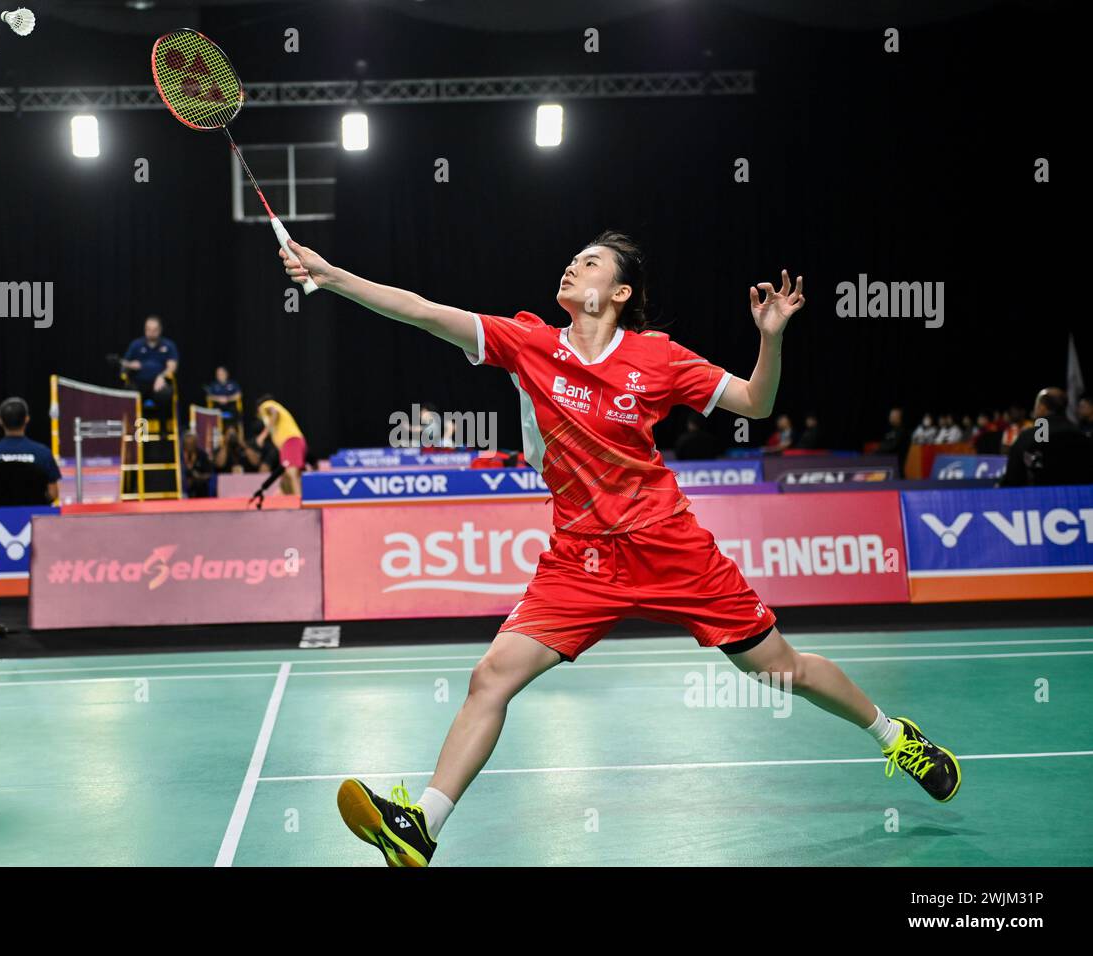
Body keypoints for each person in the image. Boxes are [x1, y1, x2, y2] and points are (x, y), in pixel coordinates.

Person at [279, 230, 961, 868]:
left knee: (780, 668)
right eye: (575, 259)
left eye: (591, 262)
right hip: (579, 559)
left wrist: (771, 339)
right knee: (492, 675)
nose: (573, 266)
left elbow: (755, 403)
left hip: (670, 547)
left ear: (622, 292)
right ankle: (421, 827)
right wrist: (333, 276)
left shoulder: (658, 356)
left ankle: (895, 737)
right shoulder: (530, 344)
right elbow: (424, 311)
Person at [999, 388, 1093, 487]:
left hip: (1039, 498)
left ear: (1042, 408)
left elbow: (1013, 479)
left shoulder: (1027, 438)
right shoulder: (1082, 436)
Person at [0, 397, 61, 506]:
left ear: (0, 420)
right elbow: (53, 493)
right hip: (34, 516)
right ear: (26, 419)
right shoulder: (43, 453)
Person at [121, 315, 178, 418]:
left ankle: (163, 430)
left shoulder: (168, 345)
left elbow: (172, 366)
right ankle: (134, 428)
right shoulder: (136, 344)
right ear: (145, 329)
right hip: (138, 383)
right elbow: (124, 363)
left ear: (160, 330)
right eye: (148, 329)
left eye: (154, 329)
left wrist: (162, 376)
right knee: (129, 392)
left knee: (165, 394)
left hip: (158, 383)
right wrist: (130, 365)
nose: (151, 332)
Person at [254, 394, 306, 496]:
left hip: (291, 441)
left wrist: (263, 435)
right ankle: (278, 498)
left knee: (291, 473)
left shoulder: (265, 405)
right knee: (287, 476)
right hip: (292, 442)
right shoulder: (280, 412)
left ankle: (298, 500)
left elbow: (274, 412)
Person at [205, 365, 244, 439]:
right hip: (218, 408)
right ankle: (216, 439)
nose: (220, 376)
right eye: (218, 374)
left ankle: (233, 437)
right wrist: (219, 399)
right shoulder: (214, 385)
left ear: (226, 374)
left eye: (221, 374)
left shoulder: (232, 384)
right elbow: (209, 396)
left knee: (236, 414)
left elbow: (239, 395)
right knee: (212, 414)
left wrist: (227, 399)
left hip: (230, 408)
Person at [876, 406, 910, 474]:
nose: (891, 417)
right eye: (890, 415)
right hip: (885, 462)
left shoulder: (902, 431)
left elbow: (892, 447)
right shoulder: (890, 430)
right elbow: (883, 444)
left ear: (899, 417)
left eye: (893, 415)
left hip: (896, 464)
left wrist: (878, 451)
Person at [181, 429, 215, 497]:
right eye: (187, 443)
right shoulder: (179, 456)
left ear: (196, 443)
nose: (189, 446)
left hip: (201, 493)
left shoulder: (202, 455)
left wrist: (199, 477)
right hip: (182, 492)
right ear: (184, 444)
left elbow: (209, 474)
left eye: (191, 443)